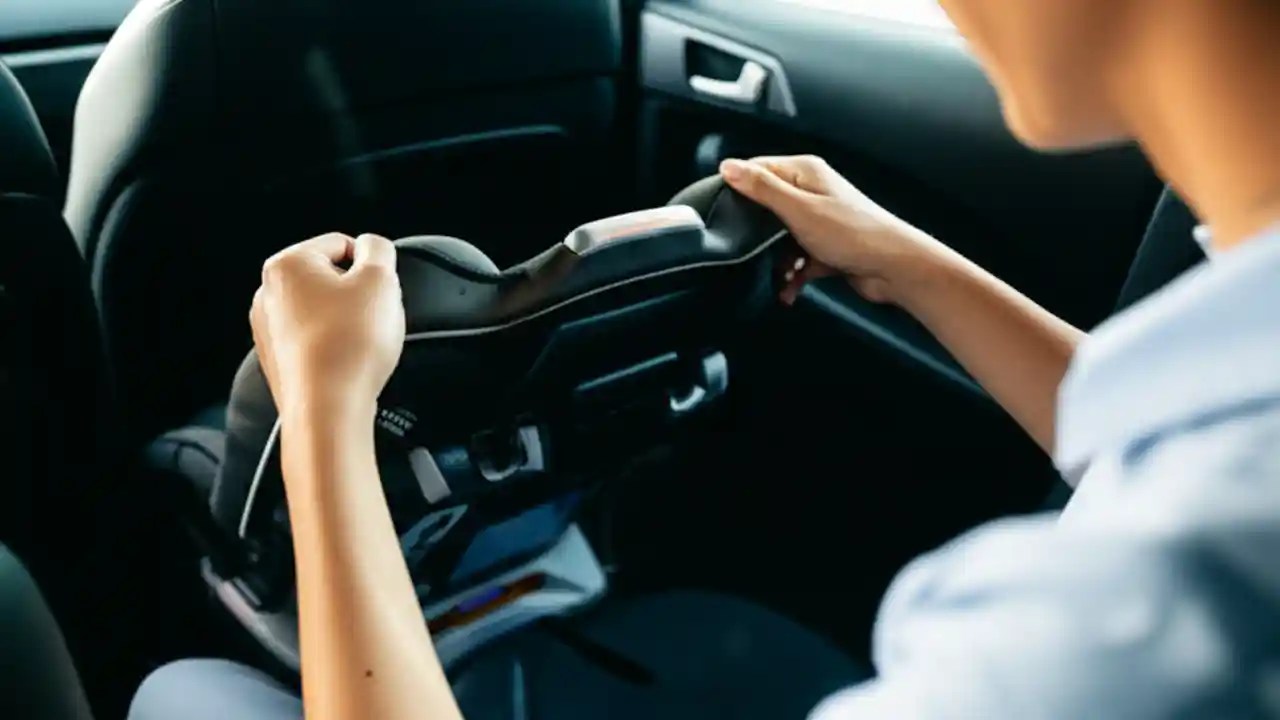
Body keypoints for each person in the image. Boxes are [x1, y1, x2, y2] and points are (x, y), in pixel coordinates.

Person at [132, 0, 1280, 717]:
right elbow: (1175, 445)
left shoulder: (1113, 638)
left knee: (187, 694)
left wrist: (324, 411)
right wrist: (915, 266)